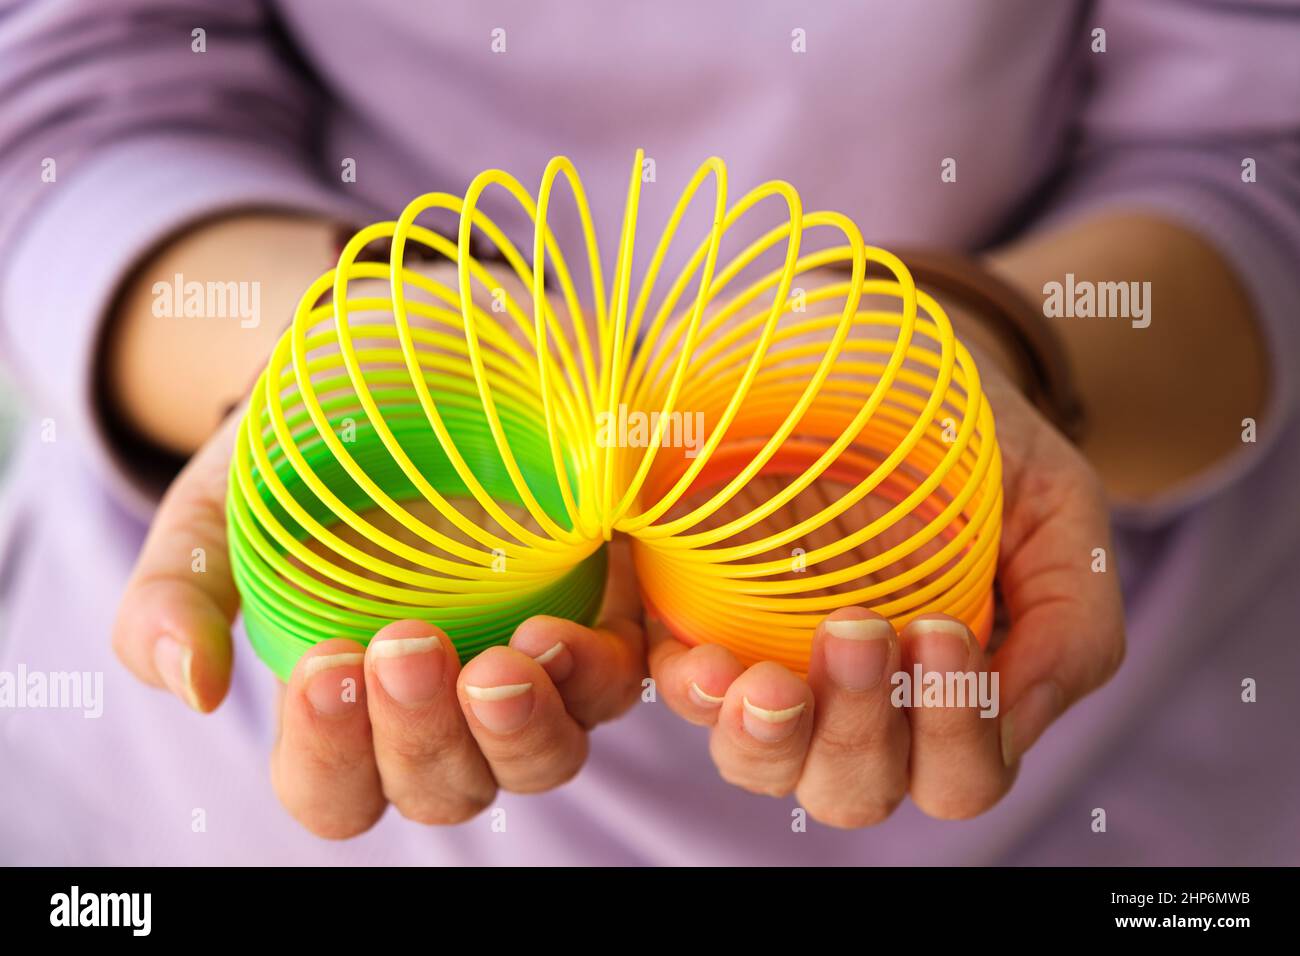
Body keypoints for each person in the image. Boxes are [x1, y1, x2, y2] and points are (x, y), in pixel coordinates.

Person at [0, 0, 1296, 865]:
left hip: (1101, 777)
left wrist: (977, 350)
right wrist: (356, 347)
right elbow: (72, 114)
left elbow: (1253, 148)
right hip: (200, 797)